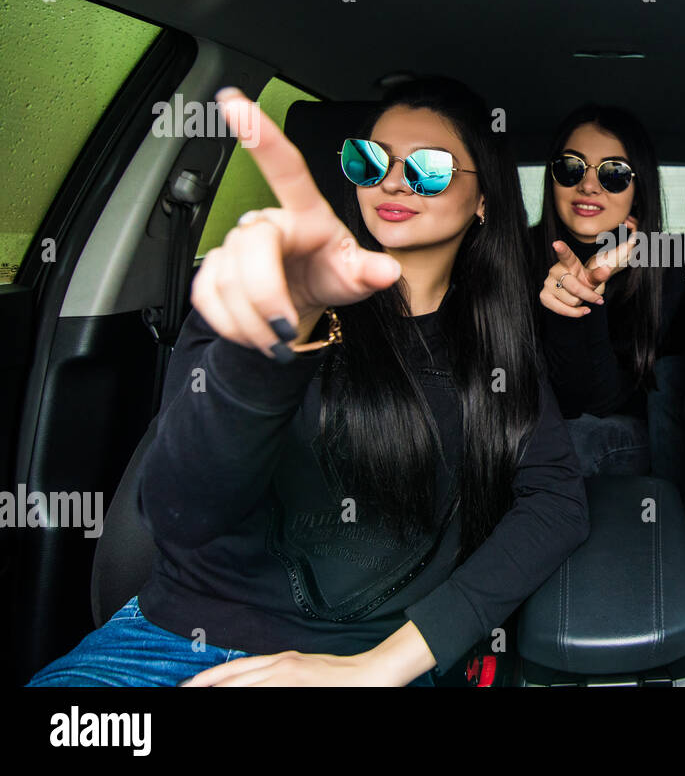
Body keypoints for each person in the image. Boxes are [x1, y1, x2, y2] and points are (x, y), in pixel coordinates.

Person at [28, 77, 587, 687]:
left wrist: (378, 668)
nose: (393, 182)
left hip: (370, 658)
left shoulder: (499, 345)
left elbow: (556, 504)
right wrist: (280, 338)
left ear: (483, 201)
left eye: (430, 167)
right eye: (369, 161)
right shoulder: (259, 297)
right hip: (165, 643)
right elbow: (183, 512)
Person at [532, 104, 685, 484]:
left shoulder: (662, 264)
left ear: (637, 192)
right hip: (529, 424)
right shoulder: (513, 253)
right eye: (571, 167)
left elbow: (595, 403)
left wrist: (587, 292)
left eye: (614, 174)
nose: (588, 186)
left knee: (575, 440)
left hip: (616, 429)